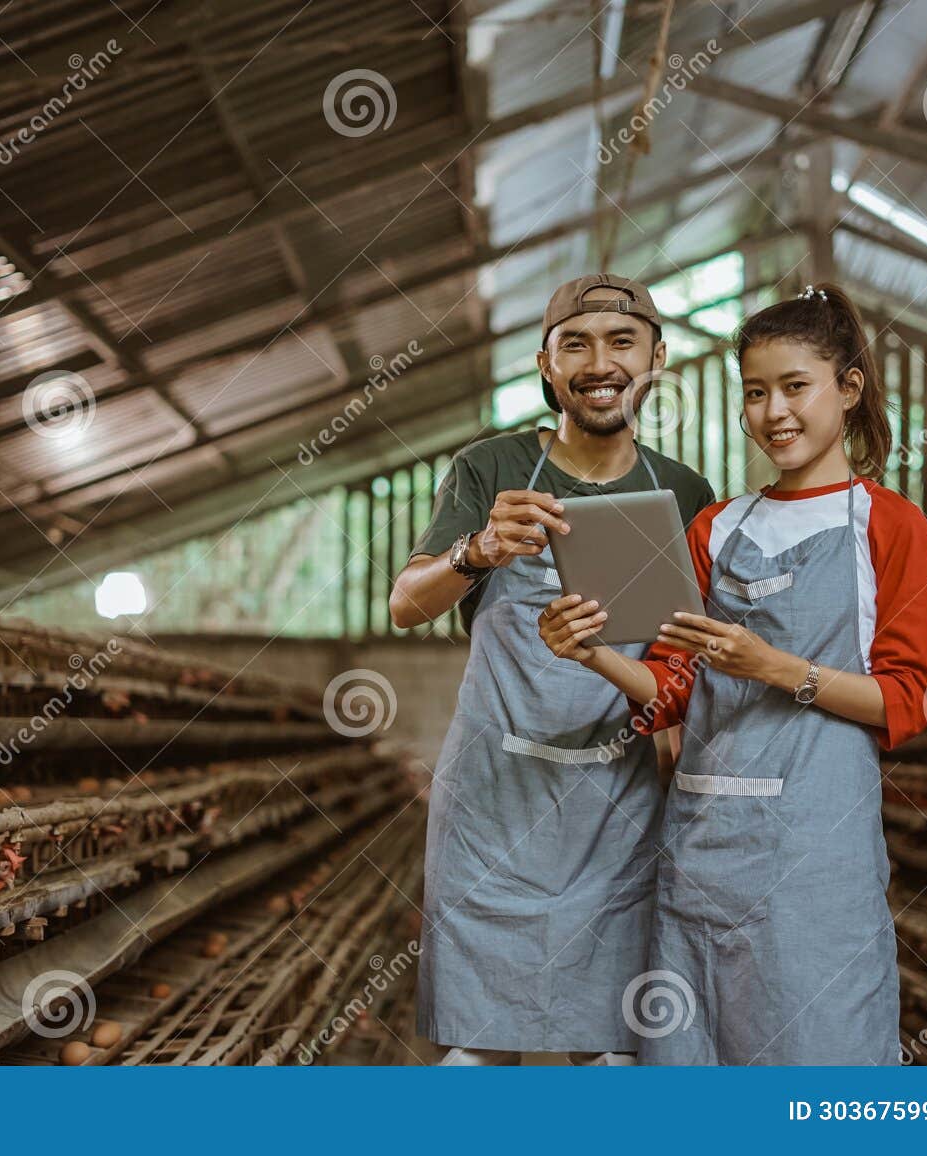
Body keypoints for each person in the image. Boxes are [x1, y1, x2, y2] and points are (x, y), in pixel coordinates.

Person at [538, 283, 927, 1064]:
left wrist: (775, 667)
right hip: (701, 857)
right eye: (754, 393)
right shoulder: (713, 527)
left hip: (815, 868)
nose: (773, 413)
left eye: (796, 387)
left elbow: (909, 701)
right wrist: (589, 651)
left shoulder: (889, 526)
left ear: (848, 389)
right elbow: (671, 690)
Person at [392, 273, 716, 1065]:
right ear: (546, 365)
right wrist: (479, 551)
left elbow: (686, 662)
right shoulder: (491, 466)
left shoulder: (683, 492)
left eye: (621, 342)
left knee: (608, 1047)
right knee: (480, 1048)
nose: (599, 362)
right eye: (575, 344)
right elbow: (406, 604)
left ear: (656, 359)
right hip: (494, 802)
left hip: (619, 802)